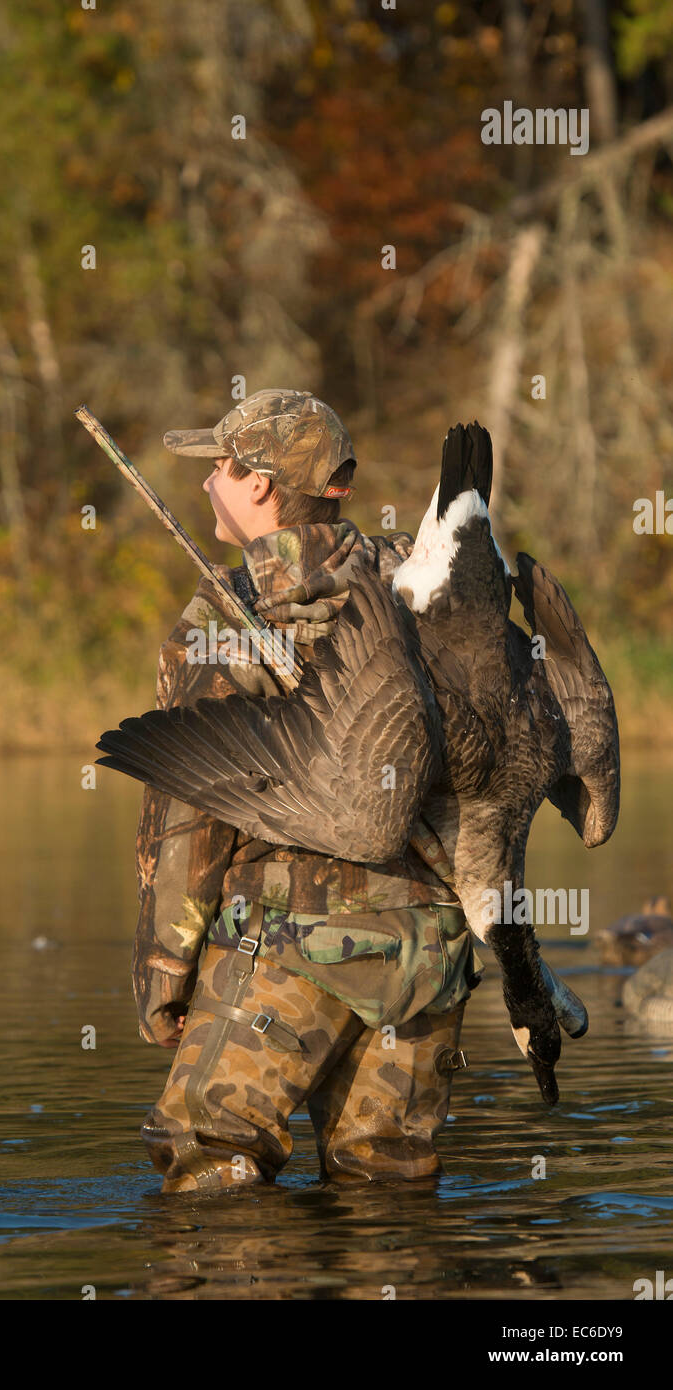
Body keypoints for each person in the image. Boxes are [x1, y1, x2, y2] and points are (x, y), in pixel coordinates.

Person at [132, 388, 484, 1193]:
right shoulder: (420, 583)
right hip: (435, 948)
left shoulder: (225, 618)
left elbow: (190, 814)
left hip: (291, 941)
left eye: (219, 466)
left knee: (205, 1152)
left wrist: (163, 973)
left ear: (258, 484)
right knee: (387, 1185)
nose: (208, 483)